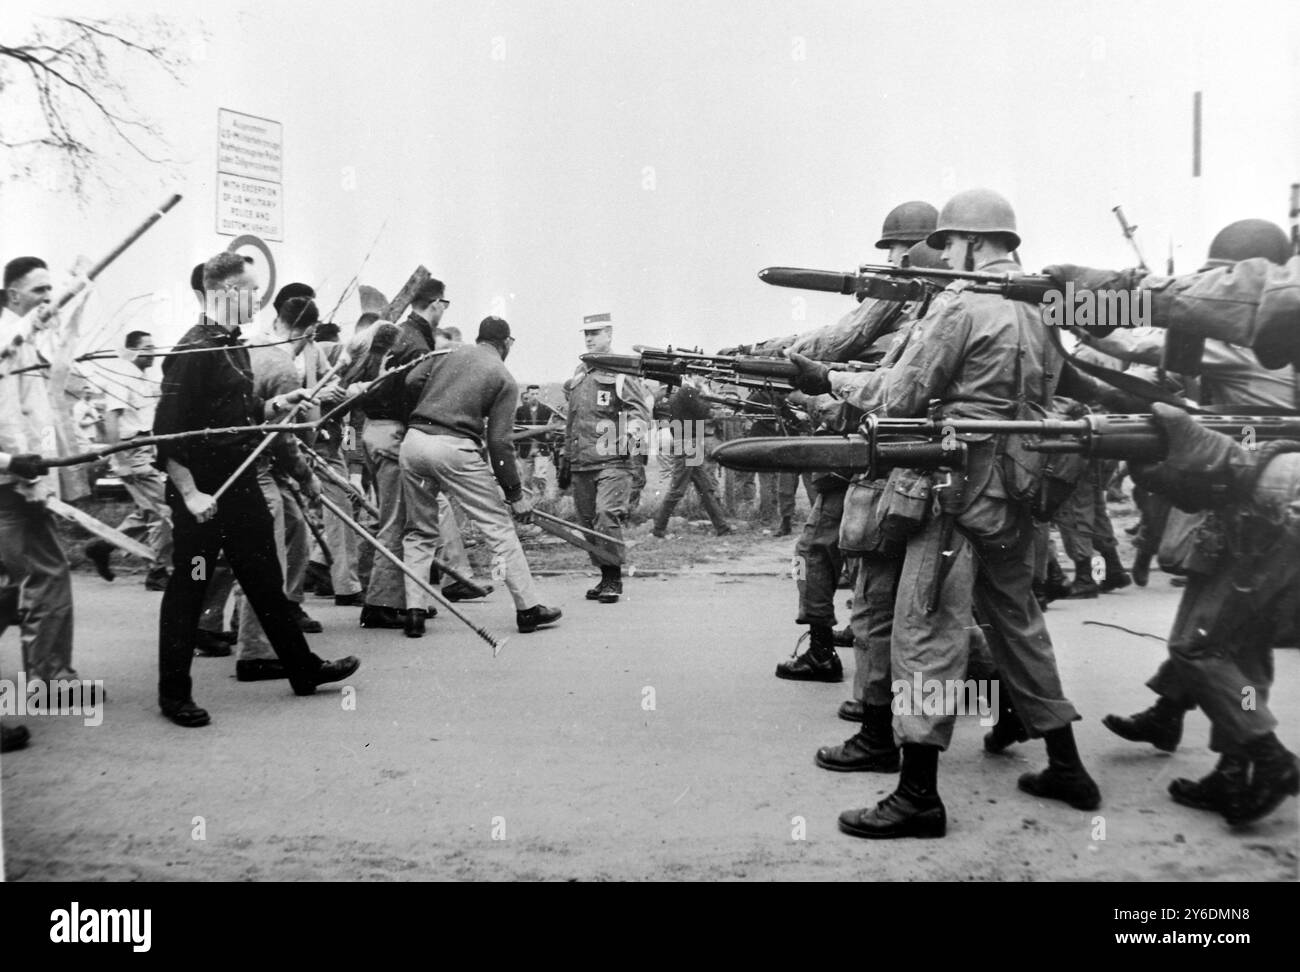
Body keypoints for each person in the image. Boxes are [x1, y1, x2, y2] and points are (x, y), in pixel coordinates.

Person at [792, 189, 1100, 837]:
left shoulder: (964, 305)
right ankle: (1068, 764)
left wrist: (829, 381)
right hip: (1018, 488)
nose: (943, 253)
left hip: (953, 488)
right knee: (1019, 623)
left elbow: (900, 393)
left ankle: (918, 794)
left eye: (951, 242)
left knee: (924, 629)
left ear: (972, 243)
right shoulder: (1042, 307)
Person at [151, 251, 359, 727]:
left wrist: (279, 402)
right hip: (202, 494)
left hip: (239, 486)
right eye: (250, 292)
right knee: (191, 586)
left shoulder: (233, 346)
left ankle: (303, 669)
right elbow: (167, 436)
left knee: (265, 579)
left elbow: (240, 415)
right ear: (225, 293)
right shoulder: (191, 353)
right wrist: (189, 494)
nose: (257, 300)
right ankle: (173, 694)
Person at [1123, 404, 1300, 824]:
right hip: (1261, 505)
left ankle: (1270, 756)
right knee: (1243, 650)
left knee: (1196, 647)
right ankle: (1232, 772)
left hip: (1278, 501)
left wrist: (1196, 443)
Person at [400, 316, 561, 635]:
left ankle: (414, 612)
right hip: (454, 448)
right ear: (506, 344)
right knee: (498, 527)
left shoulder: (447, 353)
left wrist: (438, 399)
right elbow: (499, 444)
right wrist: (515, 495)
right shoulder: (502, 375)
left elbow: (410, 382)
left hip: (414, 442)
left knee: (419, 530)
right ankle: (528, 609)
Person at [229, 296, 328, 681]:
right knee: (266, 557)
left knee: (292, 532)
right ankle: (255, 650)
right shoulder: (284, 367)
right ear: (309, 331)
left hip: (237, 460)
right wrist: (306, 477)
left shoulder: (253, 345)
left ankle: (234, 622)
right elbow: (282, 438)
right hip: (258, 466)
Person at [0, 257, 82, 706]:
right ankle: (49, 680)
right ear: (14, 295)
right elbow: (10, 417)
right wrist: (17, 465)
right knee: (39, 577)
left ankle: (49, 675)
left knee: (33, 577)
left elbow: (37, 408)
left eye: (52, 291)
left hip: (22, 477)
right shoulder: (8, 340)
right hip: (10, 483)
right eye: (39, 292)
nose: (49, 300)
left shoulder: (26, 341)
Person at [350, 278, 448, 633]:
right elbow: (412, 391)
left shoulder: (395, 333)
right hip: (393, 431)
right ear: (436, 304)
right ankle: (380, 604)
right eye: (443, 306)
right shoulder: (419, 341)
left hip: (372, 430)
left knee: (389, 516)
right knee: (398, 518)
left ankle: (397, 599)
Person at [563, 313, 652, 604]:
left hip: (614, 459)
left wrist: (632, 439)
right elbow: (572, 420)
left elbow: (639, 411)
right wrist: (566, 458)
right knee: (587, 521)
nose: (589, 338)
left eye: (596, 333)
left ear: (610, 334)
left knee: (606, 514)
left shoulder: (622, 370)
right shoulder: (580, 372)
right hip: (582, 460)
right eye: (586, 333)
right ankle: (605, 576)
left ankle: (614, 578)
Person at [84, 330, 172, 591]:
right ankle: (157, 571)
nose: (153, 352)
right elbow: (111, 419)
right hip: (131, 452)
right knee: (162, 511)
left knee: (146, 510)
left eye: (154, 346)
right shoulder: (121, 377)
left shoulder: (142, 379)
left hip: (145, 448)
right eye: (147, 348)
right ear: (132, 350)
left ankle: (103, 545)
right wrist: (120, 459)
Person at [651, 378, 732, 537]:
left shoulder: (680, 392)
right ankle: (658, 529)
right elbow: (703, 411)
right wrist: (706, 392)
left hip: (687, 441)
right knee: (678, 490)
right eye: (700, 376)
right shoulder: (688, 392)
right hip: (689, 443)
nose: (703, 379)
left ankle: (722, 527)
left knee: (705, 487)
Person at [515, 384, 557, 495]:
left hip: (541, 449)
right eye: (532, 394)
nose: (535, 396)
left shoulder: (546, 410)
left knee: (540, 477)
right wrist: (515, 449)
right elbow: (517, 430)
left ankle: (541, 500)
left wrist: (552, 449)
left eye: (537, 394)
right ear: (528, 394)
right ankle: (529, 502)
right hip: (526, 449)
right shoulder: (521, 411)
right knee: (526, 479)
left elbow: (550, 432)